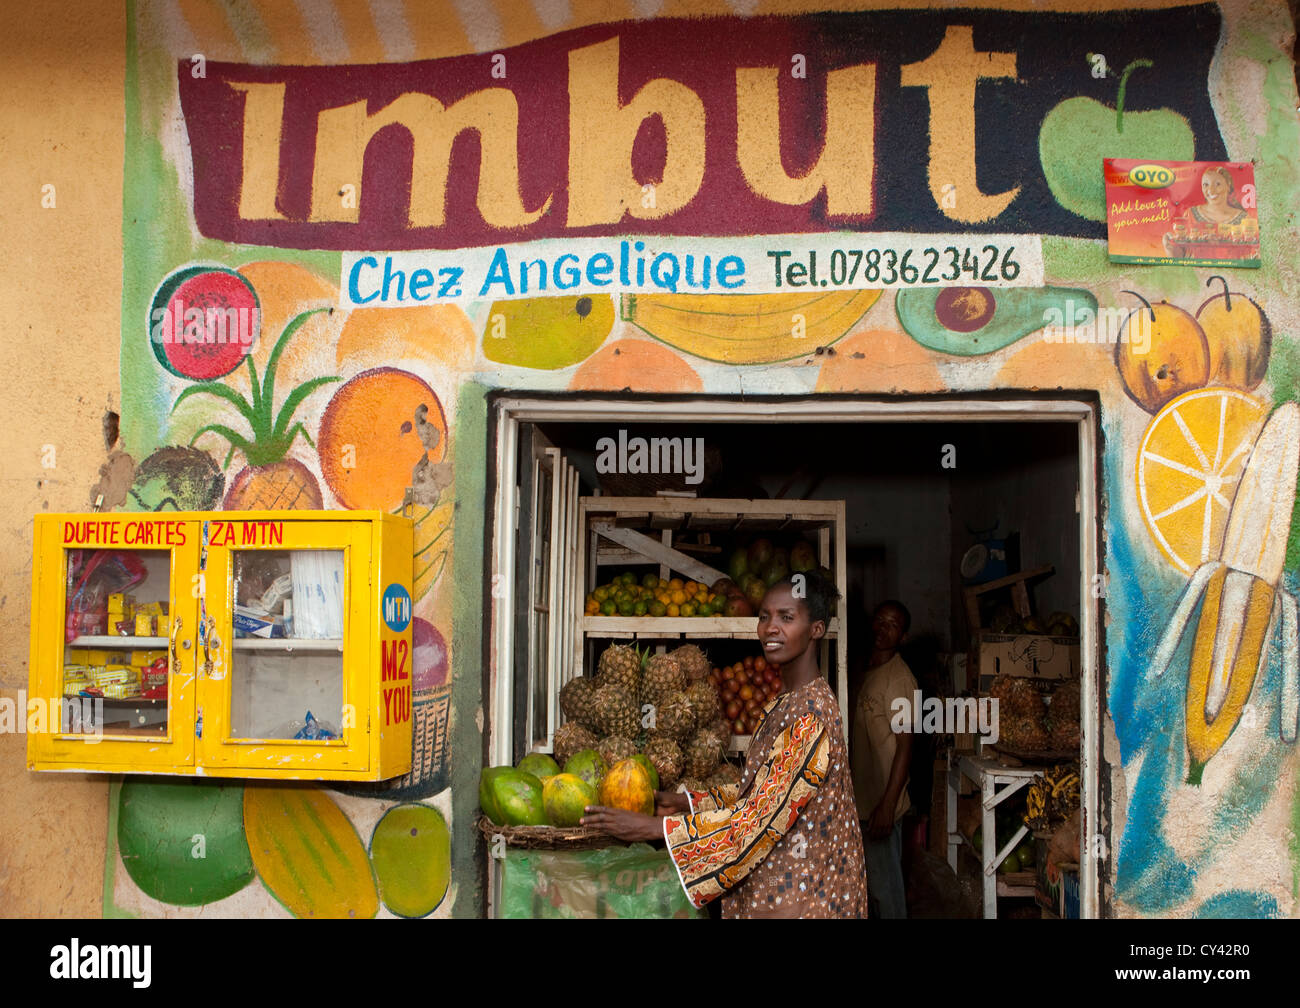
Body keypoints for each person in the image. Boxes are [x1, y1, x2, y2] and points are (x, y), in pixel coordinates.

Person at [581, 571, 868, 918]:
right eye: (765, 616)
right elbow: (765, 789)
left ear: (817, 629)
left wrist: (652, 828)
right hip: (786, 890)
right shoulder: (790, 699)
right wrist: (687, 802)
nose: (770, 627)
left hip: (805, 898)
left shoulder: (811, 715)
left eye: (787, 618)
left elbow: (761, 819)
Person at [851, 599, 917, 919]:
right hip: (857, 803)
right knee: (864, 893)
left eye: (892, 625)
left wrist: (888, 804)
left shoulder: (900, 680)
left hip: (879, 808)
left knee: (886, 895)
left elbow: (906, 746)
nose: (882, 629)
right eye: (880, 620)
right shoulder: (862, 667)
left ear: (902, 637)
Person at [1162, 165, 1251, 256]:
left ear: (1228, 186)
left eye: (1218, 184)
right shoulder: (1190, 214)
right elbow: (1182, 256)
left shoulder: (1244, 219)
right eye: (1206, 185)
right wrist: (1170, 250)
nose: (1211, 191)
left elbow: (1250, 255)